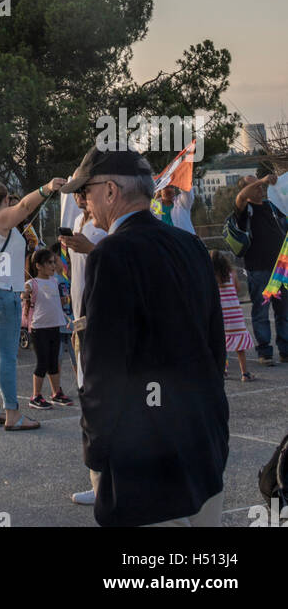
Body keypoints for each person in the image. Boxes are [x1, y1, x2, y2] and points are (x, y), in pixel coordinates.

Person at [65, 144, 228, 527]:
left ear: (110, 191)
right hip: (203, 444)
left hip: (147, 460)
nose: (83, 203)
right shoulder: (189, 245)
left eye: (86, 192)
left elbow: (103, 368)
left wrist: (96, 451)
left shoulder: (111, 255)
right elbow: (214, 344)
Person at [0, 176, 66, 431]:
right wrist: (45, 189)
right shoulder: (0, 220)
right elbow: (24, 207)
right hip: (3, 296)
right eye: (9, 200)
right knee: (6, 356)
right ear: (3, 200)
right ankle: (12, 414)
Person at [60, 187, 107, 505]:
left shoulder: (106, 227)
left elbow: (120, 262)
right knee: (88, 402)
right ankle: (100, 483)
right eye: (74, 192)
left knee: (101, 403)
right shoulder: (77, 222)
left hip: (100, 320)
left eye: (83, 191)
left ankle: (108, 486)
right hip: (79, 319)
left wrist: (91, 248)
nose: (78, 197)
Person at [233, 172, 288, 365]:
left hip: (280, 268)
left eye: (260, 184)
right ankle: (264, 352)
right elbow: (239, 198)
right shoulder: (244, 209)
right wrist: (262, 180)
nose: (260, 187)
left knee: (284, 311)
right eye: (254, 185)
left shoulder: (272, 206)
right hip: (258, 268)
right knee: (261, 312)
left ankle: (285, 350)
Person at [22, 248, 74, 409]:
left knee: (53, 362)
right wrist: (26, 294)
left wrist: (66, 300)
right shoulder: (32, 283)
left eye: (54, 262)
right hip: (39, 328)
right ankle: (35, 396)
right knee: (42, 363)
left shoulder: (55, 281)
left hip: (54, 326)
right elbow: (25, 295)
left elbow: (57, 302)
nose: (53, 265)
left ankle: (56, 393)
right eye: (49, 263)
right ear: (38, 266)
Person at [211, 250, 255, 382]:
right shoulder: (232, 273)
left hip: (221, 313)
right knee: (239, 346)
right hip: (234, 313)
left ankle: (223, 370)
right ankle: (244, 373)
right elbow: (237, 289)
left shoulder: (211, 277)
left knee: (221, 342)